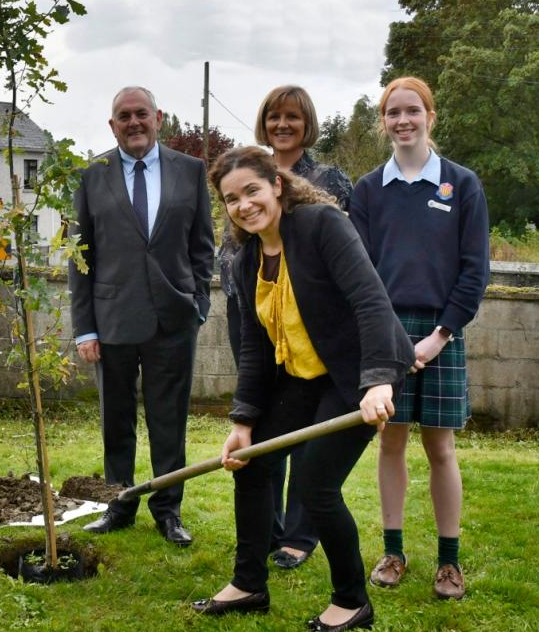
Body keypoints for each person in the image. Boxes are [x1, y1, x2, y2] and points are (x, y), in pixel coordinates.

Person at [191, 146, 413, 631]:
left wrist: (377, 382)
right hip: (302, 376)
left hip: (356, 375)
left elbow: (370, 300)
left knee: (315, 485)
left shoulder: (321, 225)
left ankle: (352, 600)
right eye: (231, 199)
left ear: (277, 183)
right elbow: (253, 344)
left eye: (251, 190)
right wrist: (243, 422)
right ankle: (249, 584)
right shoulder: (248, 257)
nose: (244, 204)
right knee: (250, 467)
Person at [352, 76, 489, 601]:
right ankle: (393, 551)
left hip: (442, 332)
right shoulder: (368, 190)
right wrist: (385, 339)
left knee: (440, 447)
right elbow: (360, 273)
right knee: (391, 440)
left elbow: (474, 271)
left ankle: (449, 562)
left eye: (413, 111)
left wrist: (440, 336)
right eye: (393, 112)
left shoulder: (462, 184)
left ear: (431, 117)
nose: (403, 120)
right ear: (383, 121)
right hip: (385, 331)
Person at [69, 86, 214, 547]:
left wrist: (198, 306)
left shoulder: (190, 171)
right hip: (111, 320)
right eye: (124, 116)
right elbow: (80, 256)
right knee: (117, 419)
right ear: (112, 125)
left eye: (142, 114)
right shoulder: (93, 175)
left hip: (173, 319)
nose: (134, 122)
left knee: (169, 420)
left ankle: (168, 511)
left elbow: (202, 247)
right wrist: (84, 328)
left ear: (159, 118)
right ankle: (119, 504)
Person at [216, 86, 353, 571]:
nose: (282, 124)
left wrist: (379, 374)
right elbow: (229, 251)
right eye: (274, 116)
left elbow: (357, 282)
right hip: (265, 323)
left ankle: (302, 537)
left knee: (315, 466)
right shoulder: (245, 175)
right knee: (260, 448)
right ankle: (257, 557)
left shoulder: (326, 196)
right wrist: (242, 418)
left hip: (330, 348)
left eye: (292, 117)